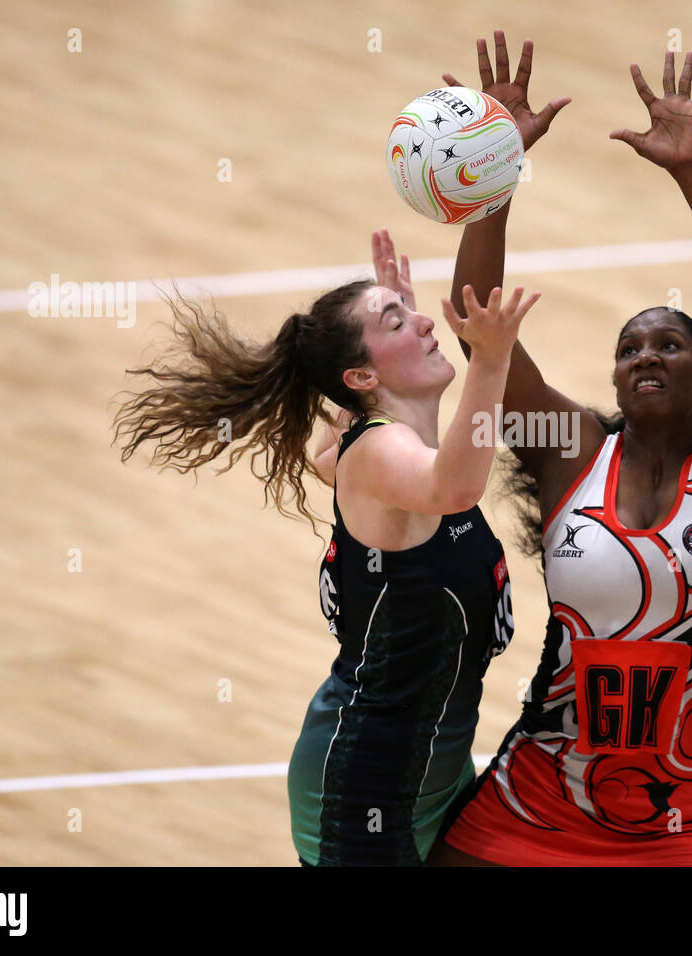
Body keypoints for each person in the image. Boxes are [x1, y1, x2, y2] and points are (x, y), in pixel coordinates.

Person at [430, 34, 692, 866]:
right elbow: (479, 327)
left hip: (668, 828)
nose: (647, 355)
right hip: (531, 800)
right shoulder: (571, 452)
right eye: (630, 348)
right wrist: (495, 177)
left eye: (669, 344)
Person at [112, 230, 540, 865]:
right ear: (360, 373)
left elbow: (335, 455)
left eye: (409, 314)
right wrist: (491, 359)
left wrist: (382, 356)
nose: (425, 323)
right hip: (362, 788)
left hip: (433, 773)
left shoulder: (360, 452)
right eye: (400, 321)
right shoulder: (376, 456)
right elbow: (455, 485)